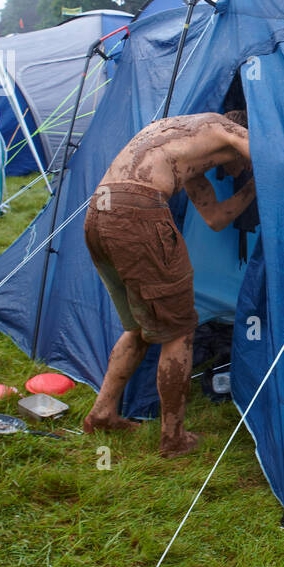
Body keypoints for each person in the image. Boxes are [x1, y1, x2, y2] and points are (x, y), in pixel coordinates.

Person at [82, 110, 256, 457]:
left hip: (100, 214)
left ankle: (102, 413)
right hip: (138, 212)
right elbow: (274, 156)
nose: (228, 173)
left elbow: (217, 218)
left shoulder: (182, 142)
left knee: (139, 329)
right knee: (179, 332)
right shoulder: (222, 126)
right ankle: (174, 438)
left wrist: (248, 189)